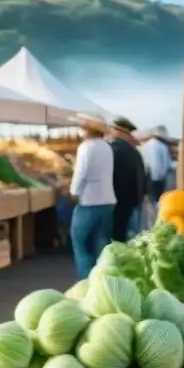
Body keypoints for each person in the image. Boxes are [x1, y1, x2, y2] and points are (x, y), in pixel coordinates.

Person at [69, 114, 116, 279]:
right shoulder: (107, 147)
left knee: (80, 242)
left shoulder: (86, 147)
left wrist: (74, 192)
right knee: (101, 244)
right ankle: (103, 278)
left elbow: (81, 173)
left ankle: (86, 278)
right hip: (108, 200)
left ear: (89, 130)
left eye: (83, 127)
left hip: (89, 201)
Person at [108, 118, 146, 242]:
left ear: (119, 131)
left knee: (115, 236)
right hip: (132, 200)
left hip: (117, 199)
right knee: (126, 235)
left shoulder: (112, 149)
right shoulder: (135, 152)